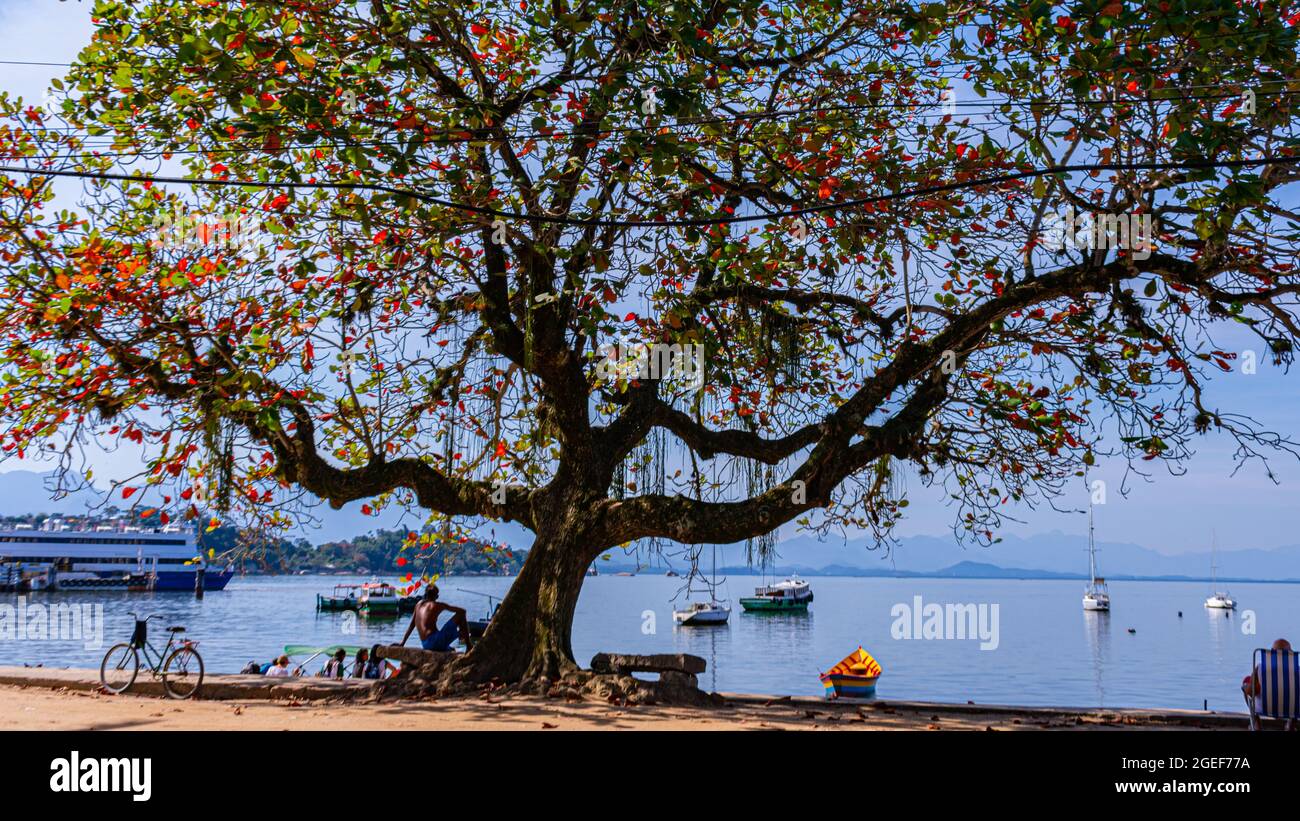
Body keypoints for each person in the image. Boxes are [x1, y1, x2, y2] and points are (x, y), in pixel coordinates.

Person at [400, 584, 470, 652]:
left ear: (426, 595)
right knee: (461, 614)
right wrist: (461, 628)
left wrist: (402, 643)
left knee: (451, 649)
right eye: (437, 596)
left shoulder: (418, 605)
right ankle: (469, 646)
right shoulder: (437, 605)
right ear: (436, 596)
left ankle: (456, 639)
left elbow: (411, 625)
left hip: (425, 644)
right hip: (435, 642)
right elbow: (462, 611)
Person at [1242, 638, 1294, 729]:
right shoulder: (1298, 671)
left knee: (1247, 682)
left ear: (1272, 653)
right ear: (1290, 654)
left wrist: (1245, 687)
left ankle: (1256, 724)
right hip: (1293, 710)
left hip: (1265, 708)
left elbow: (1250, 692)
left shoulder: (1261, 669)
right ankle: (1291, 724)